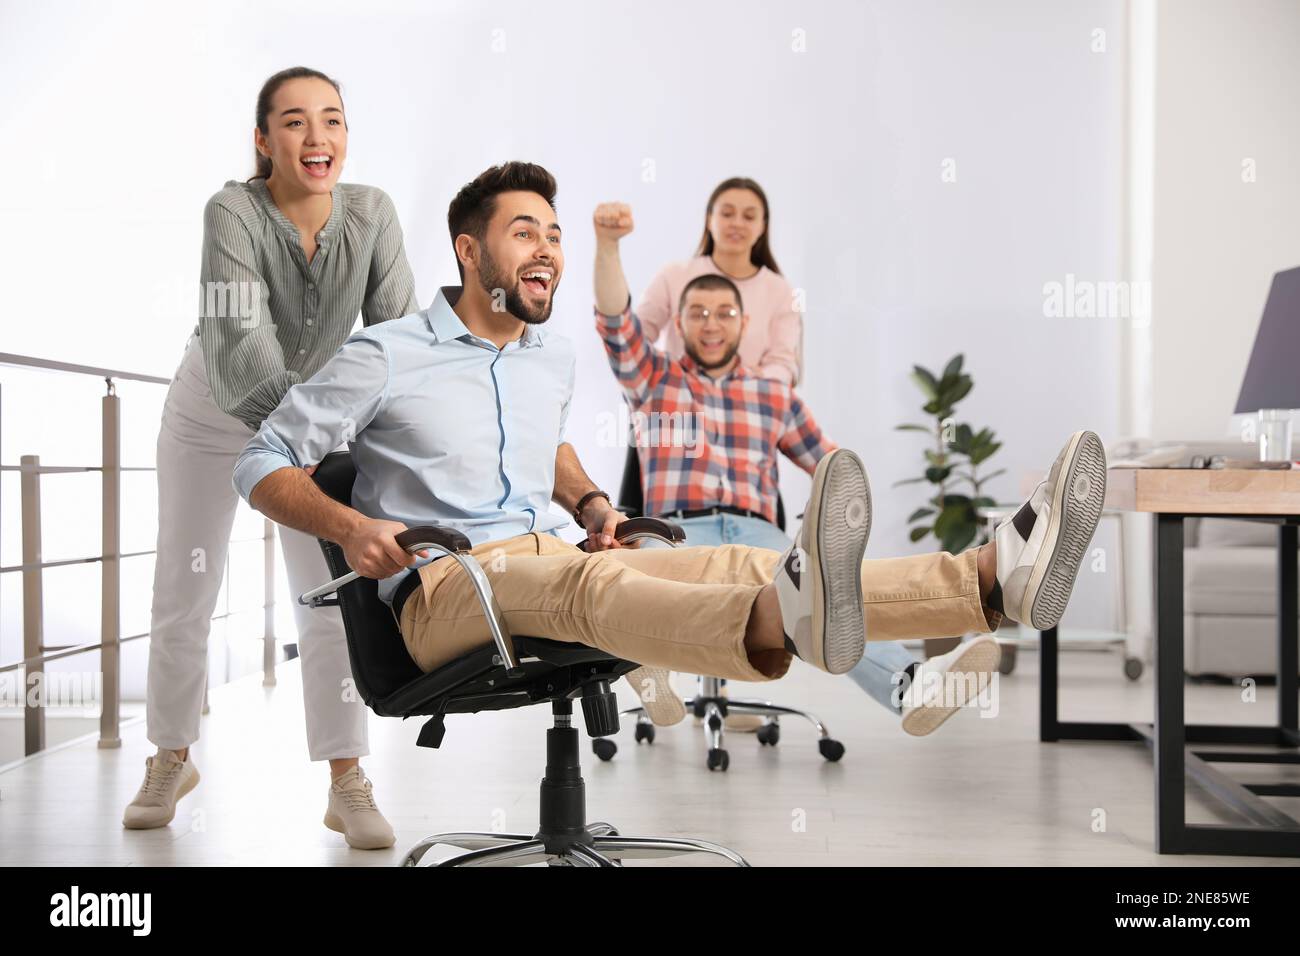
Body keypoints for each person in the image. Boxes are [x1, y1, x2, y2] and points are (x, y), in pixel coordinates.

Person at [231, 162, 1108, 749]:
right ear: (470, 250)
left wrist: (592, 507)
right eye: (527, 233)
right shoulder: (389, 353)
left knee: (728, 557)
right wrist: (348, 527)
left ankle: (992, 581)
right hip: (444, 591)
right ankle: (785, 621)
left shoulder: (548, 359)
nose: (549, 250)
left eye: (556, 235)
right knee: (599, 584)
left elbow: (551, 450)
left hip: (548, 553)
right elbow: (262, 458)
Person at [123, 67, 418, 851]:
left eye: (332, 120)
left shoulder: (374, 214)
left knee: (330, 597)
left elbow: (397, 339)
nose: (316, 137)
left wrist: (384, 441)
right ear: (263, 140)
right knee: (185, 587)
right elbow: (240, 349)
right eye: (294, 122)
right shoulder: (231, 212)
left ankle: (346, 778)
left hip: (312, 427)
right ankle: (169, 756)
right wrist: (308, 449)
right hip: (215, 412)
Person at [594, 201, 1009, 735]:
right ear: (678, 323)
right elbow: (615, 324)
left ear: (745, 323)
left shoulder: (773, 394)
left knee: (825, 591)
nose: (711, 323)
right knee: (632, 573)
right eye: (697, 313)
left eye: (724, 313)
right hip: (672, 532)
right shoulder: (654, 380)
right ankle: (645, 666)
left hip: (755, 534)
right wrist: (608, 245)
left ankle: (912, 684)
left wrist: (832, 524)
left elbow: (834, 467)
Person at [635, 177, 801, 385]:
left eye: (749, 217)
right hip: (682, 406)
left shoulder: (780, 291)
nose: (737, 223)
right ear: (709, 219)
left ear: (762, 226)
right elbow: (634, 343)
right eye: (727, 213)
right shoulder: (673, 276)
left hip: (748, 410)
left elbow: (783, 365)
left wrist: (741, 387)